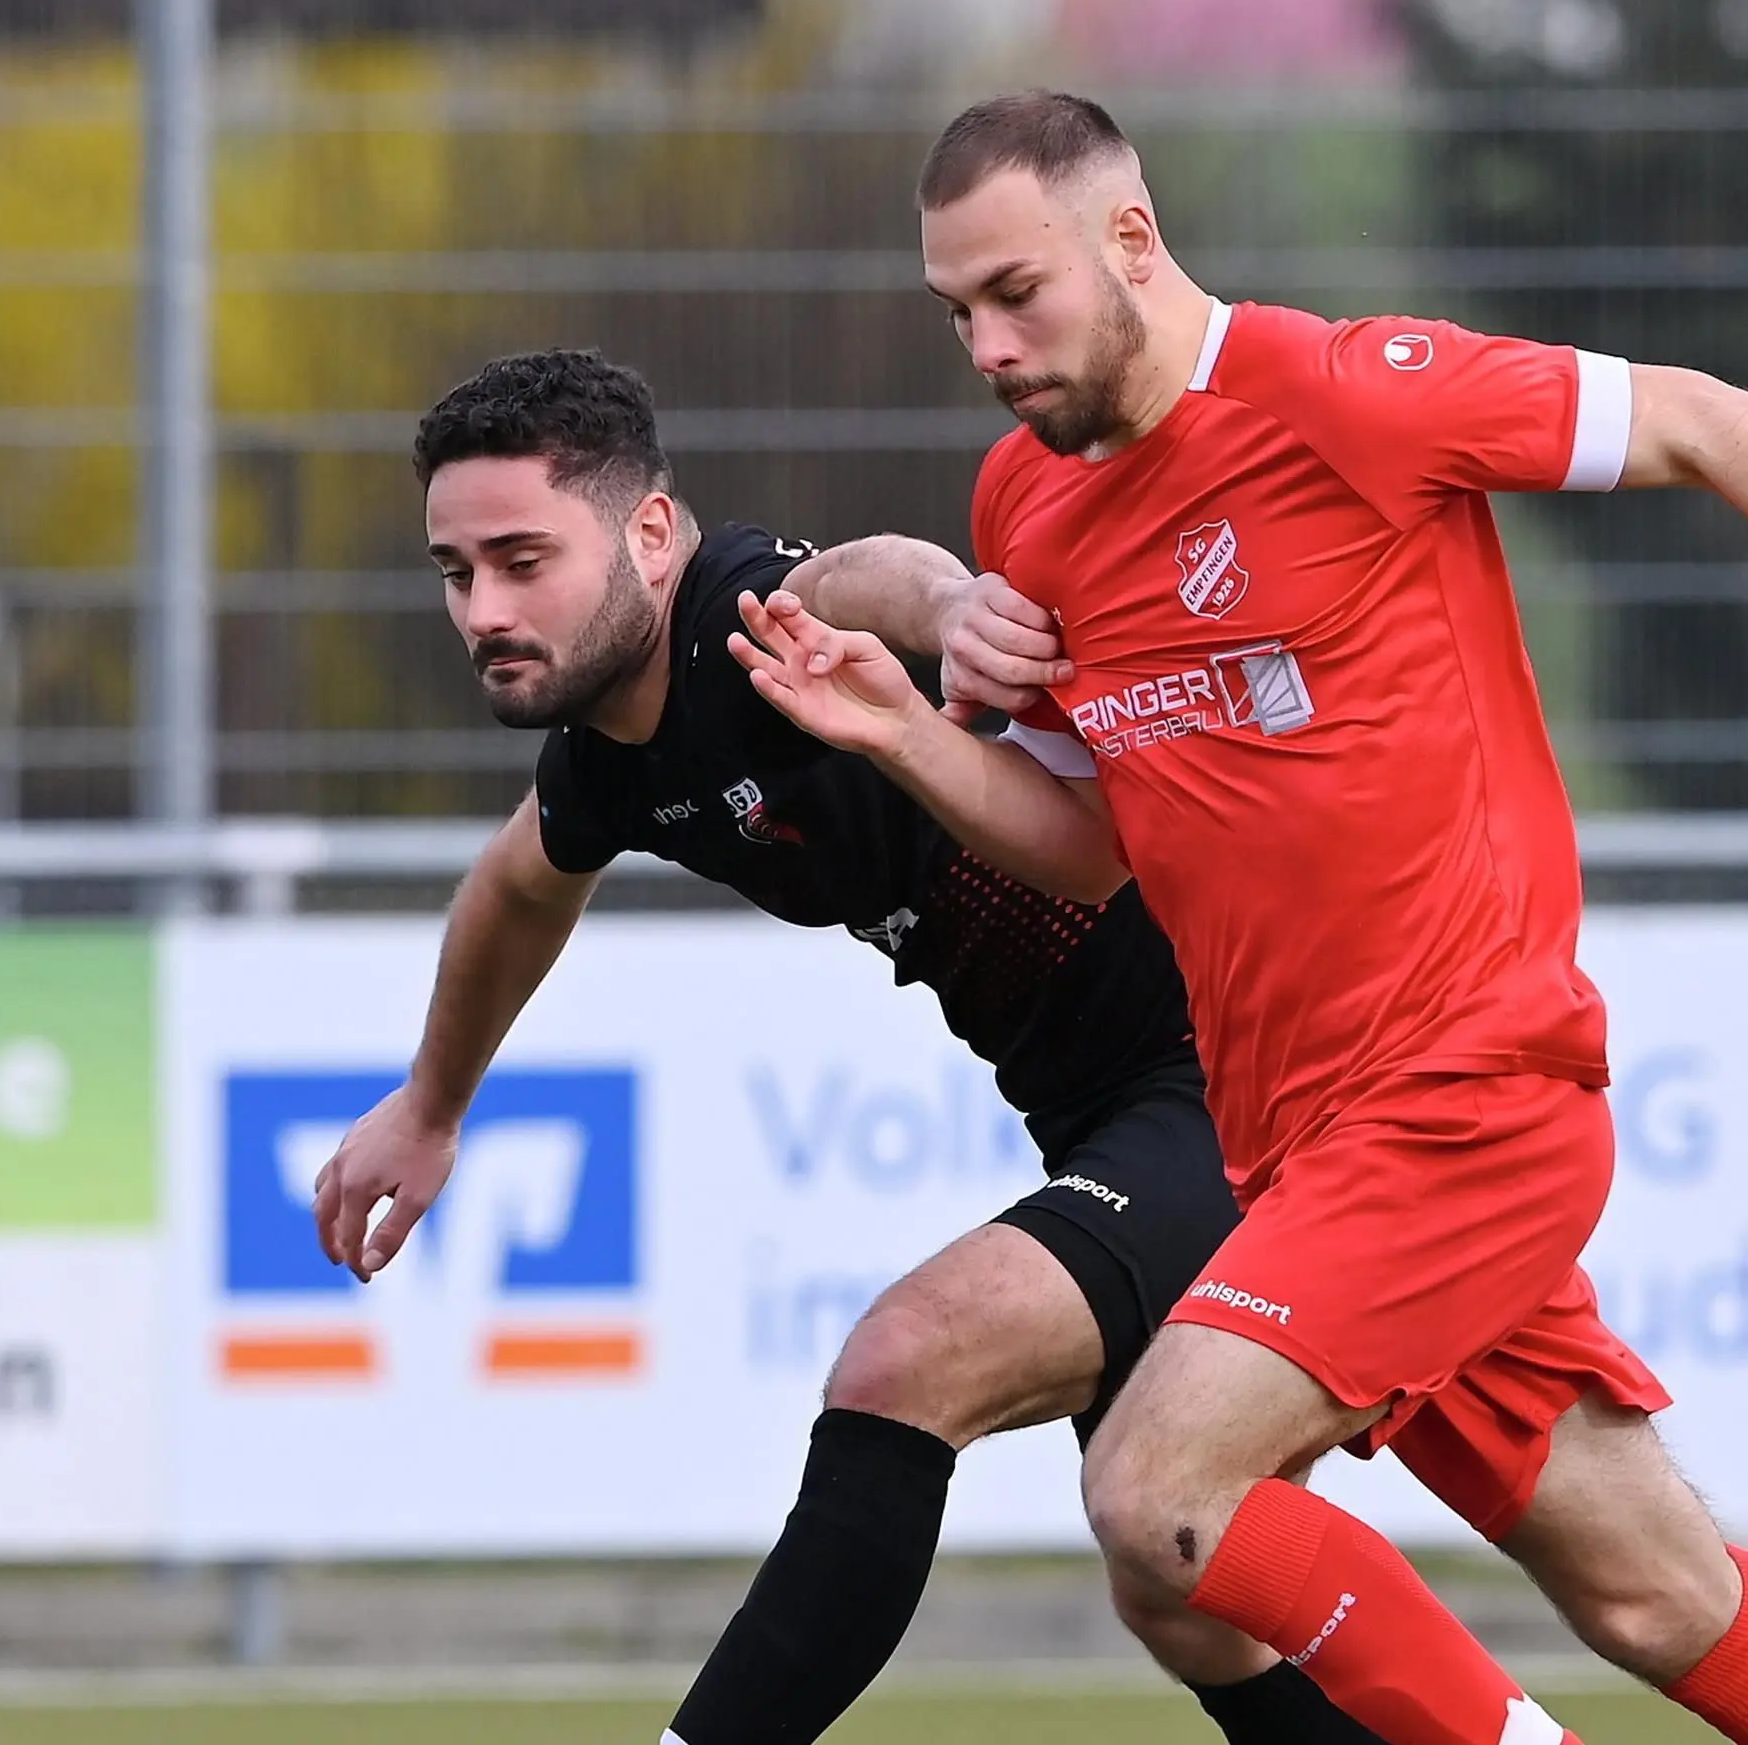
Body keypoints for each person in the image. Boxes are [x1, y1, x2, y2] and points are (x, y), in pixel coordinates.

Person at [728, 89, 1748, 1745]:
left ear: (1130, 239)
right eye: (956, 311)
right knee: (1653, 1594)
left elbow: (1702, 421)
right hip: (1299, 1155)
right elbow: (1096, 853)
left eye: (1014, 293)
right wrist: (904, 736)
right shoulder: (1027, 512)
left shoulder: (1346, 395)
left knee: (1158, 1491)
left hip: (1464, 1104)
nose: (987, 345)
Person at [309, 350, 1383, 1745]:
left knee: (908, 1360)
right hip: (1117, 1117)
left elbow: (858, 577)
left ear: (651, 533)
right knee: (1186, 1580)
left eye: (524, 561)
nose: (486, 611)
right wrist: (431, 1105)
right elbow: (518, 886)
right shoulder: (609, 756)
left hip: (1251, 1086)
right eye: (458, 574)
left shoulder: (744, 627)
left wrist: (957, 607)